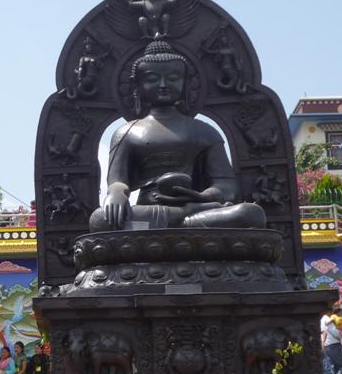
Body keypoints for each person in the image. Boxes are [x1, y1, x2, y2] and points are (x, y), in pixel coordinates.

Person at [89, 39, 266, 231]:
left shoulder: (204, 131)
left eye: (173, 78)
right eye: (152, 79)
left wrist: (202, 197)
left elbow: (227, 186)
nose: (163, 85)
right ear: (137, 85)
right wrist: (116, 192)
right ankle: (185, 226)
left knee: (250, 214)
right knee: (100, 220)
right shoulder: (126, 133)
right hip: (148, 210)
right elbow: (117, 180)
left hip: (195, 208)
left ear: (185, 83)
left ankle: (178, 225)